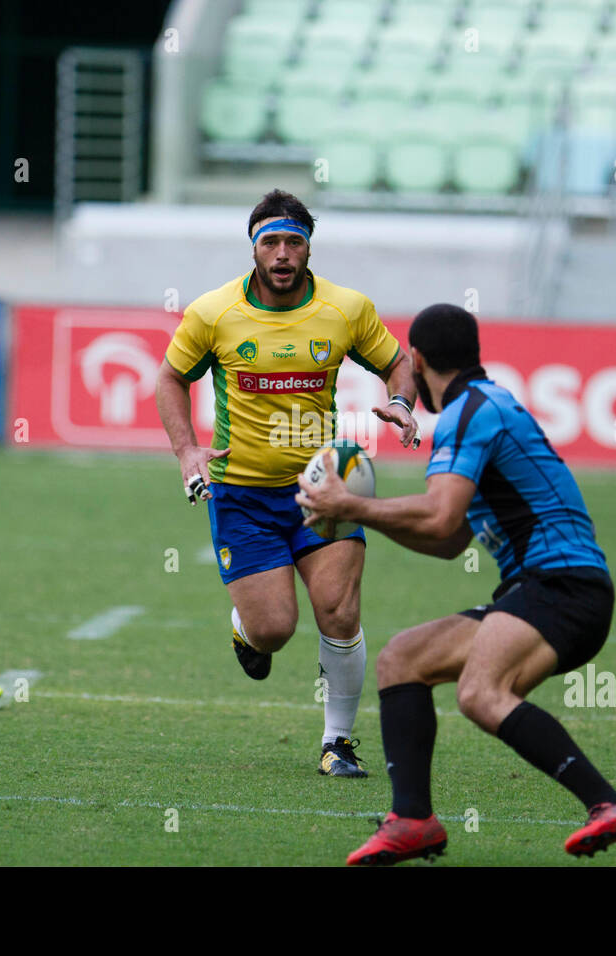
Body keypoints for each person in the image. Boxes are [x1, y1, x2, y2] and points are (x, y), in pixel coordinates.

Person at [296, 303, 616, 861]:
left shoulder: (471, 411)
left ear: (414, 361)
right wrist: (357, 513)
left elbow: (438, 518)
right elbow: (449, 542)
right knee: (402, 660)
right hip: (545, 589)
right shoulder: (484, 406)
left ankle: (607, 804)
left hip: (562, 585)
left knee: (481, 694)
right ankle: (412, 821)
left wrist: (352, 506)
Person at [156, 189, 419, 776]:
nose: (281, 253)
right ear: (253, 247)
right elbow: (170, 378)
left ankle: (337, 743)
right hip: (241, 496)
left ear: (308, 248)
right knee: (274, 630)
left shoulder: (345, 309)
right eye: (270, 242)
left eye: (293, 242)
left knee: (340, 614)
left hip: (325, 486)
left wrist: (400, 401)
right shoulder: (212, 312)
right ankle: (245, 629)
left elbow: (397, 361)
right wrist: (185, 451)